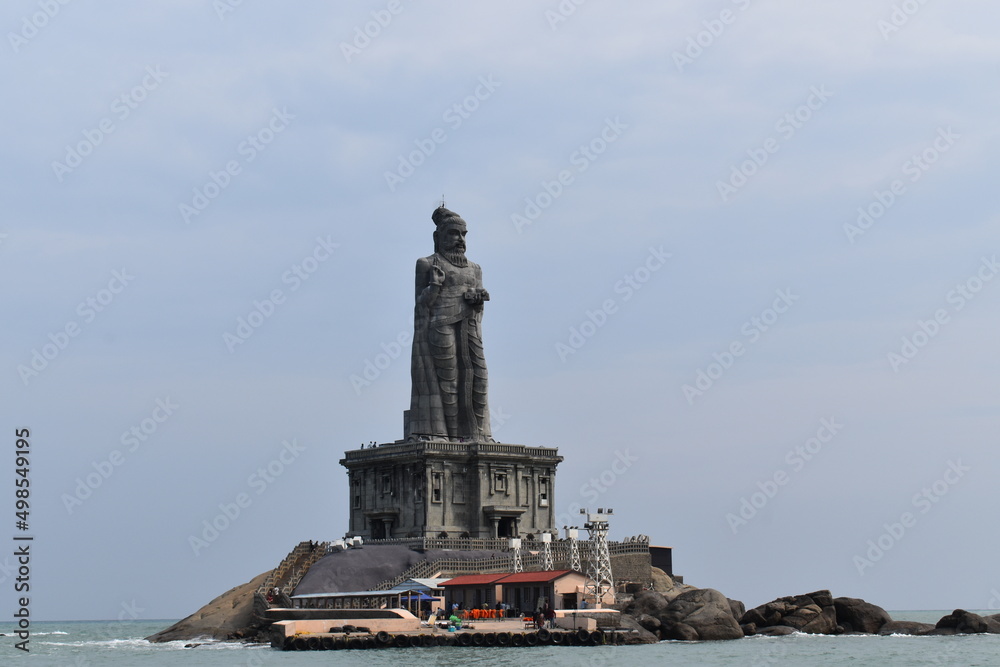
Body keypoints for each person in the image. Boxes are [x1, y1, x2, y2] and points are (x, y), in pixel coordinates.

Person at [406, 206, 492, 442]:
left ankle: (478, 433)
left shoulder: (475, 268)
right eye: (454, 233)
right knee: (449, 382)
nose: (460, 240)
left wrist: (478, 299)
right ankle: (452, 436)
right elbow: (421, 305)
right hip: (440, 324)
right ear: (438, 237)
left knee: (479, 376)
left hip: (470, 325)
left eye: (464, 234)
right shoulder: (426, 264)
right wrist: (434, 286)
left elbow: (479, 303)